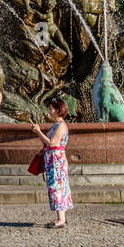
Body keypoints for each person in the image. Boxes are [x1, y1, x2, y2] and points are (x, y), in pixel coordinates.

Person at [31, 97, 73, 228]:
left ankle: (61, 219)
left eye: (51, 109)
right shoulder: (56, 125)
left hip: (56, 160)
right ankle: (62, 217)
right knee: (57, 186)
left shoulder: (61, 125)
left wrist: (38, 132)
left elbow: (52, 143)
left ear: (58, 110)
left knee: (57, 187)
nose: (49, 111)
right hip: (52, 159)